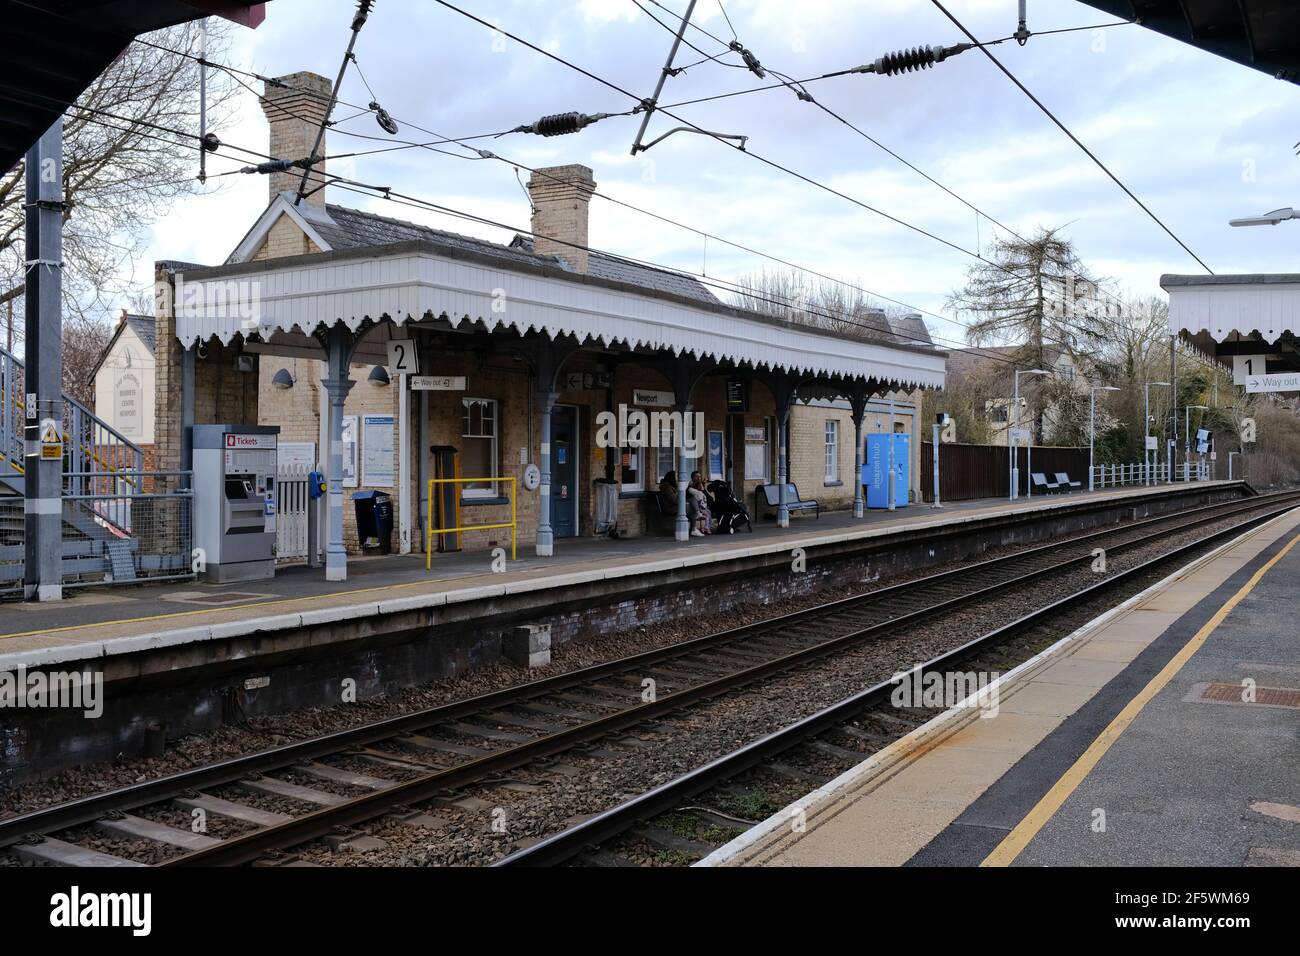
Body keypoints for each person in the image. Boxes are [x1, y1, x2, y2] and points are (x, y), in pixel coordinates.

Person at [688, 471, 712, 536]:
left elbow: (704, 494)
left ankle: (707, 527)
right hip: (694, 505)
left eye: (700, 476)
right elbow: (695, 492)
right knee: (706, 512)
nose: (699, 478)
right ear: (692, 477)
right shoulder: (691, 484)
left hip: (701, 504)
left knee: (708, 511)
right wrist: (701, 484)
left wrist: (703, 484)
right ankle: (705, 528)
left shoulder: (700, 484)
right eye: (697, 476)